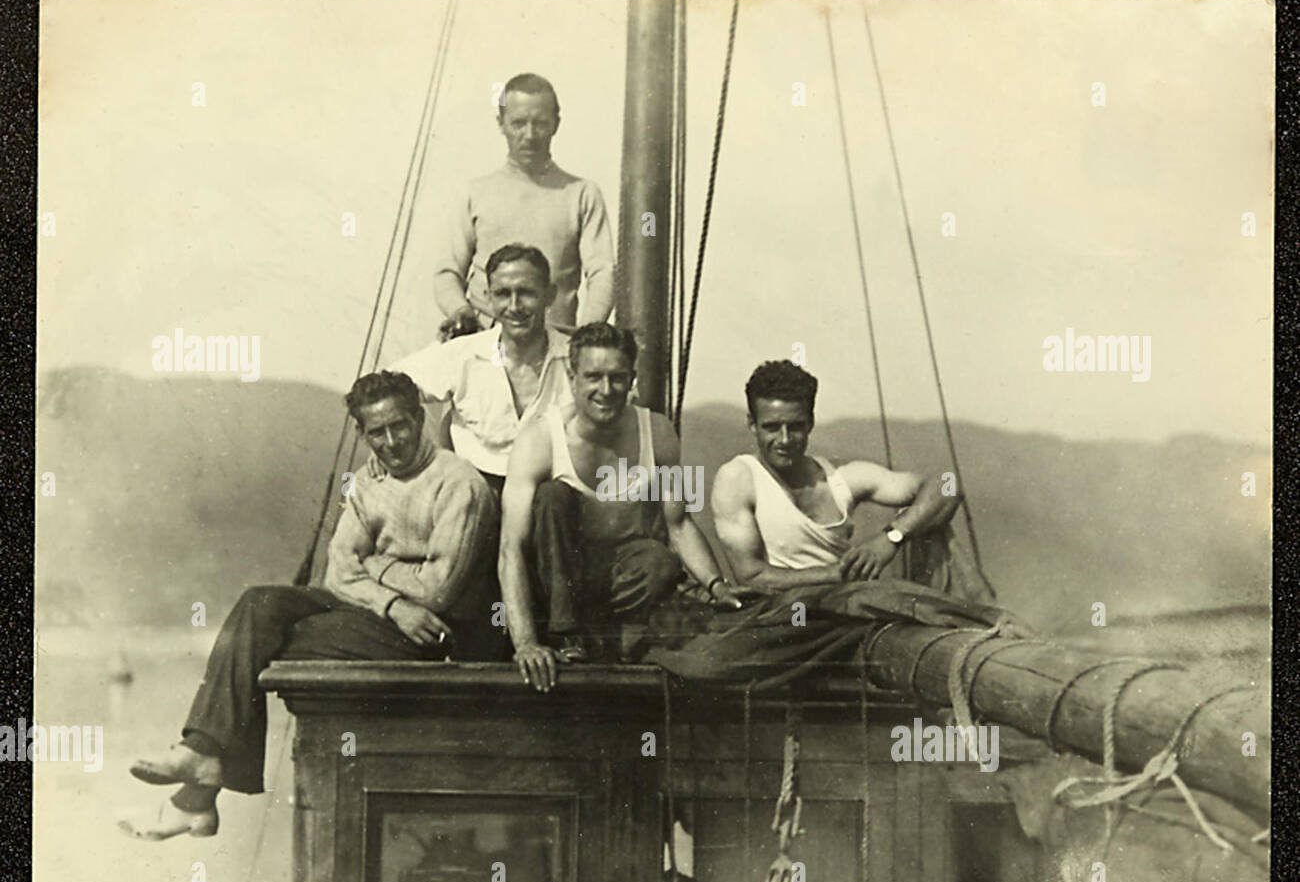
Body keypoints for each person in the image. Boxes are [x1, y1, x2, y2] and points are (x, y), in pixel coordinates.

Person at [119, 371, 499, 841]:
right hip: (384, 615)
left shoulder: (459, 484)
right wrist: (392, 600)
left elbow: (436, 590)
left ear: (419, 419)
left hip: (428, 632)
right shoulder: (365, 481)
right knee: (259, 605)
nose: (391, 441)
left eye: (399, 425)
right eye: (376, 432)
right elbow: (338, 571)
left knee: (267, 640)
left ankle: (198, 790)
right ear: (361, 433)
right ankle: (201, 758)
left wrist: (374, 571)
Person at [499, 323, 745, 691]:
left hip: (617, 583)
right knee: (553, 497)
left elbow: (680, 524)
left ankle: (613, 640)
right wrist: (525, 644)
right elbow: (511, 548)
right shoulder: (539, 438)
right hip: (554, 586)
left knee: (659, 560)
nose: (606, 390)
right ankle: (565, 637)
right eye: (593, 377)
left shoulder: (660, 432)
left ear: (631, 378)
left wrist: (716, 585)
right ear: (572, 376)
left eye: (617, 378)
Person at [711, 360, 963, 591]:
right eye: (772, 427)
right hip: (785, 615)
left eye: (796, 426)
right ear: (752, 425)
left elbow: (947, 486)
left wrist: (891, 538)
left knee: (931, 524)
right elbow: (752, 576)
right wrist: (839, 573)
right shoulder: (738, 478)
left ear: (810, 423)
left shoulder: (840, 477)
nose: (785, 440)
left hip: (848, 606)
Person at [434, 72, 614, 338]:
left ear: (556, 124)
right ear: (501, 124)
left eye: (540, 123)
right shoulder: (475, 193)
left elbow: (602, 272)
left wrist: (586, 335)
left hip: (555, 341)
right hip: (484, 339)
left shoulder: (582, 193)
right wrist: (460, 311)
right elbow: (447, 273)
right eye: (518, 123)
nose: (529, 135)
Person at [395, 244, 574, 496]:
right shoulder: (464, 354)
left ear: (550, 295)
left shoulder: (576, 359)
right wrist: (412, 456)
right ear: (488, 297)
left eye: (526, 293)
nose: (514, 306)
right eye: (502, 294)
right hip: (476, 488)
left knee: (555, 500)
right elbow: (383, 389)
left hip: (547, 492)